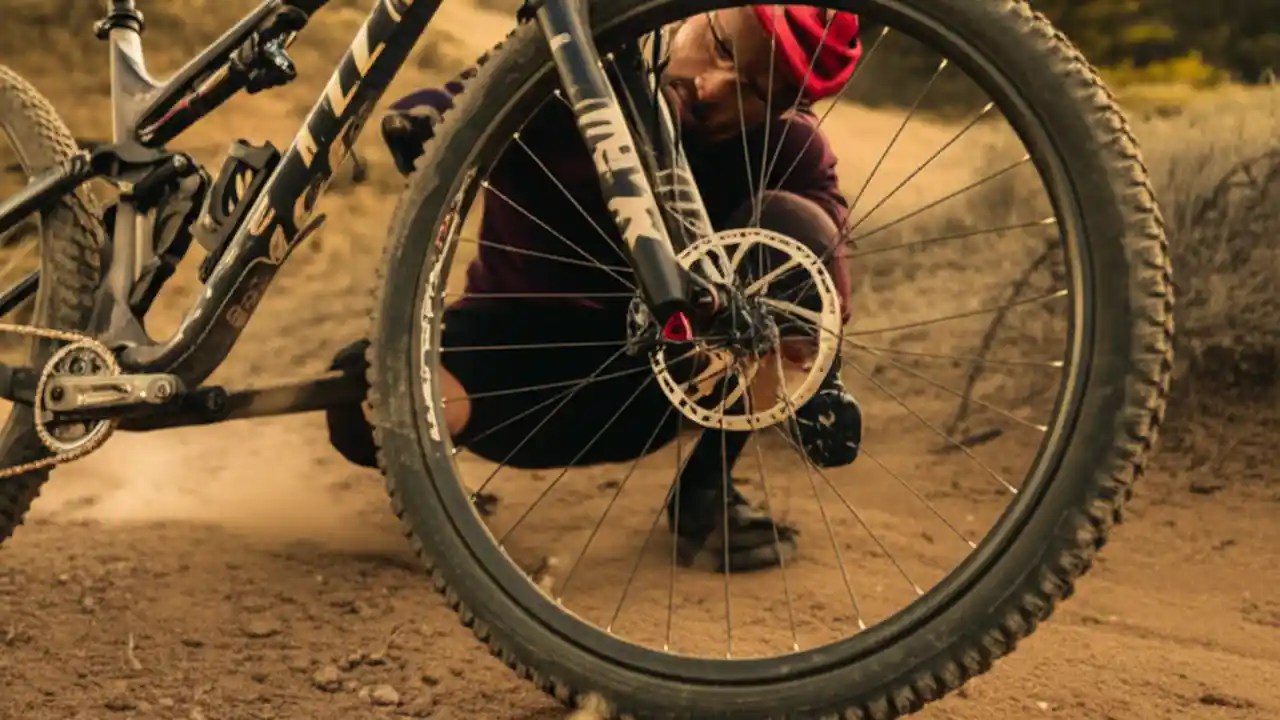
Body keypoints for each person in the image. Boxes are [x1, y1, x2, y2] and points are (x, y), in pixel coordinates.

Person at [328, 6, 865, 572]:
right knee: (362, 391)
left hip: (652, 391)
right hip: (508, 373)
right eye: (722, 49)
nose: (710, 88)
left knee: (795, 228)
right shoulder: (577, 67)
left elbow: (824, 270)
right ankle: (435, 487)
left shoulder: (788, 146)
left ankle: (707, 495)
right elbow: (455, 105)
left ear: (787, 105)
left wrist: (811, 362)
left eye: (755, 90)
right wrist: (429, 124)